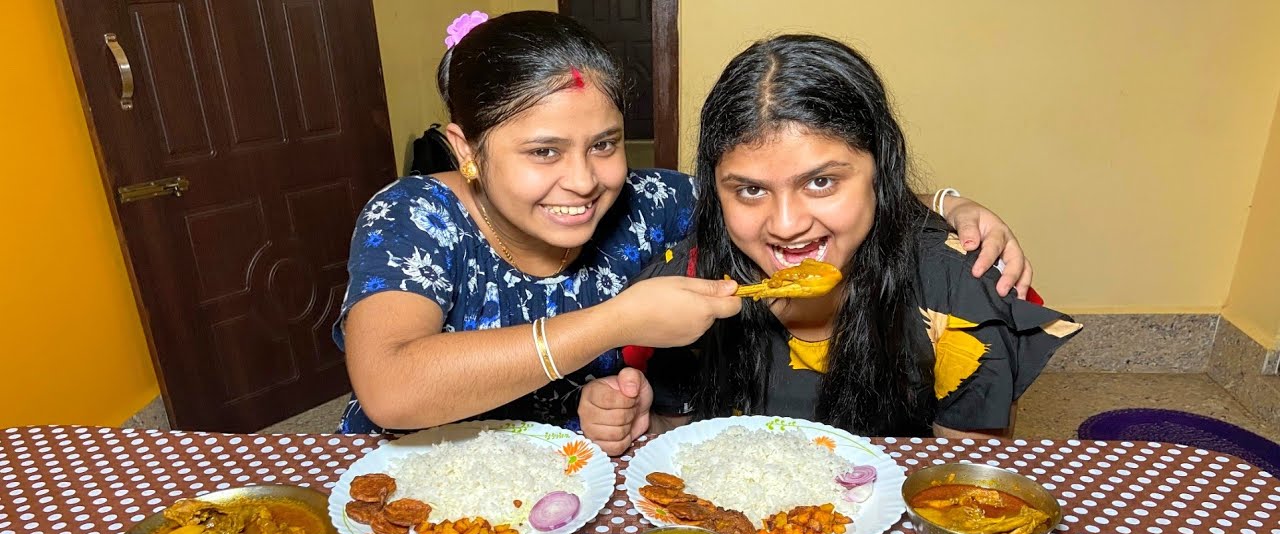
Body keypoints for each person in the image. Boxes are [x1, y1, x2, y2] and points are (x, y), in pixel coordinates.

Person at [336, 11, 1035, 435]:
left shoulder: (647, 200)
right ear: (465, 149)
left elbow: (779, 178)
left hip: (579, 485)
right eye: (544, 151)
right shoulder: (412, 217)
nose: (583, 181)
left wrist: (946, 207)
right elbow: (391, 389)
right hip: (412, 483)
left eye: (605, 143)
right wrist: (616, 322)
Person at [578, 34, 1082, 455]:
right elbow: (678, 440)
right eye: (751, 189)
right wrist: (635, 423)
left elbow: (960, 481)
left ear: (880, 172)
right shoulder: (688, 288)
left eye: (821, 182)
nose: (787, 224)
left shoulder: (956, 293)